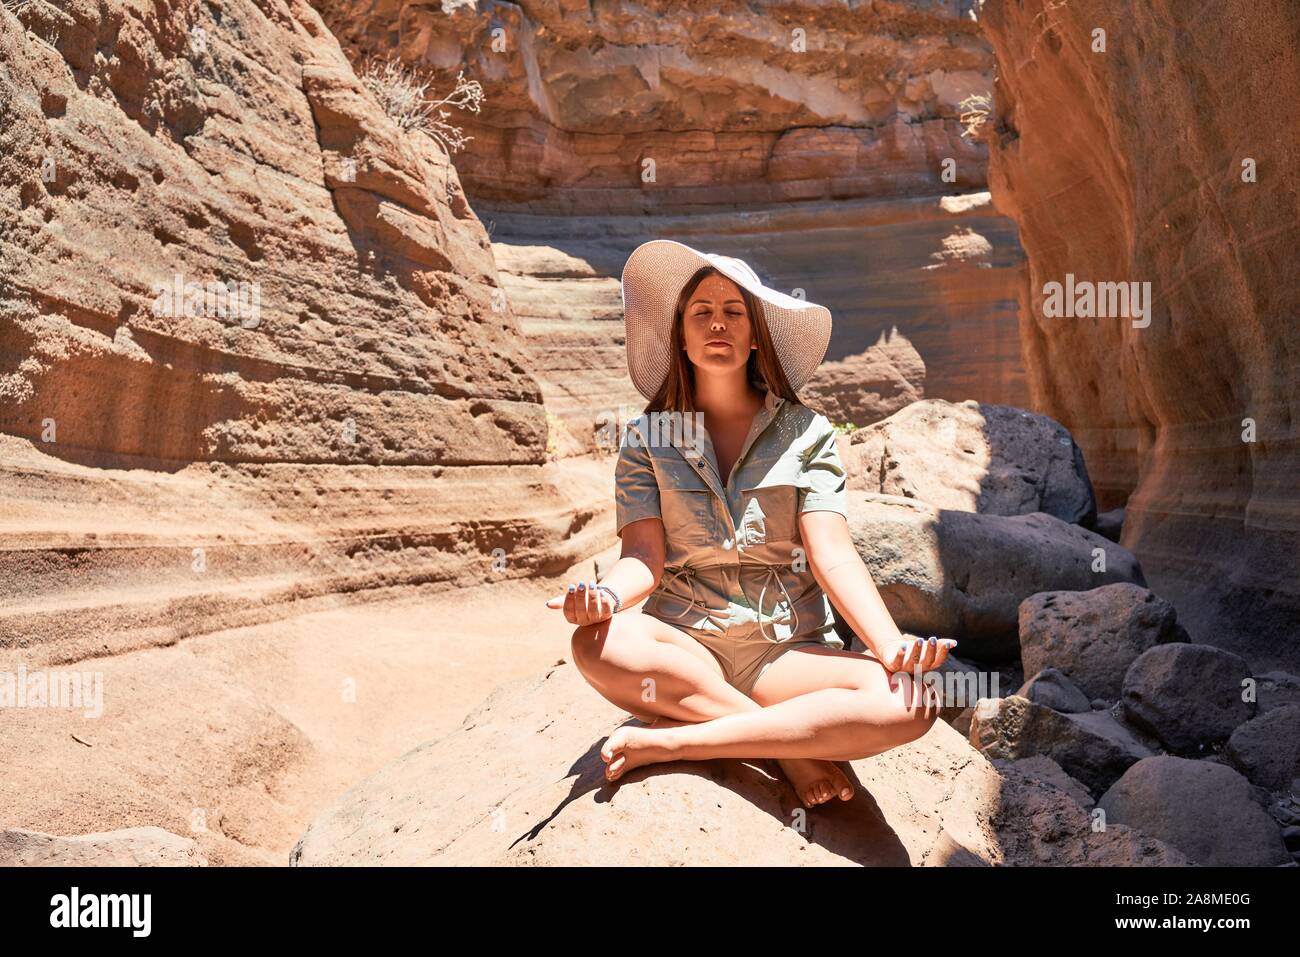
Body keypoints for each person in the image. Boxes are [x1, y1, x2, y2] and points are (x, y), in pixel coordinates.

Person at [545, 240, 957, 809]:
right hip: (685, 646)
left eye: (734, 312)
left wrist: (889, 647)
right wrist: (604, 598)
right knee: (594, 645)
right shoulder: (647, 438)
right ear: (681, 337)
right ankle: (789, 748)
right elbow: (643, 557)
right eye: (702, 313)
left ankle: (681, 742)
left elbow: (832, 554)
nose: (718, 323)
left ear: (756, 333)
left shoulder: (807, 432)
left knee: (912, 700)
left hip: (784, 654)